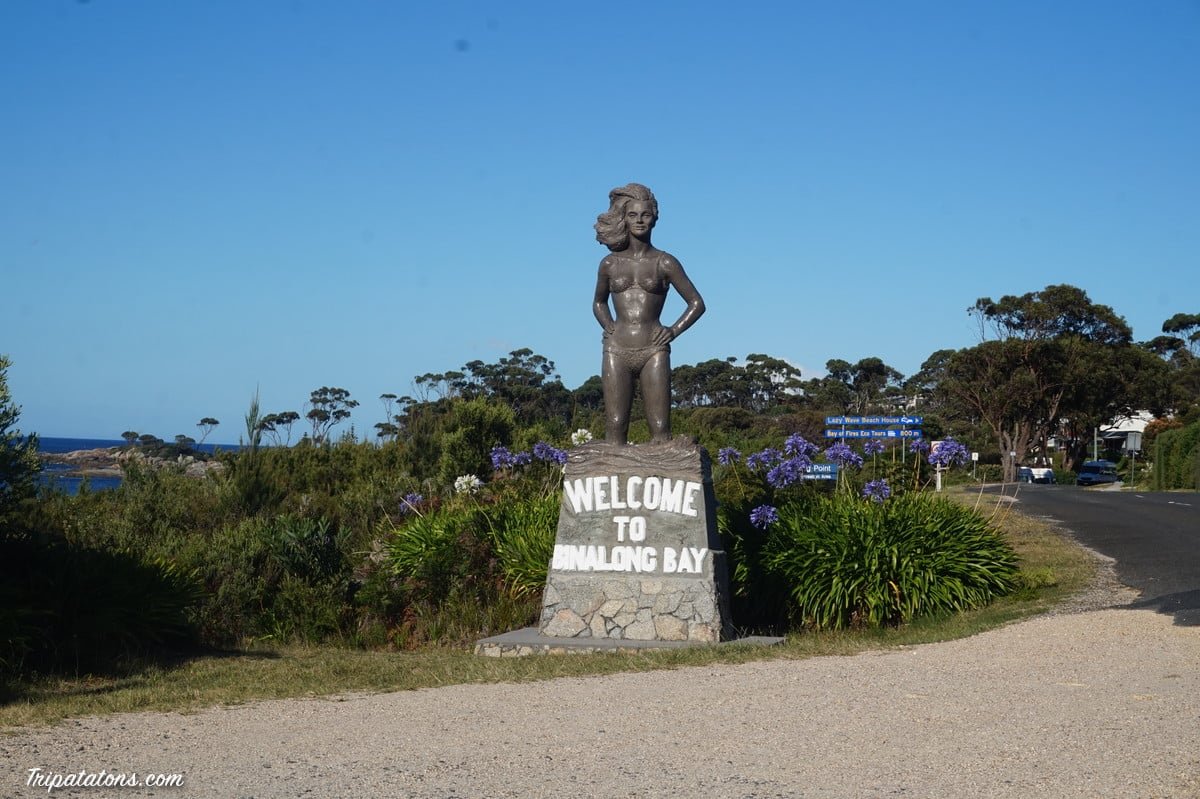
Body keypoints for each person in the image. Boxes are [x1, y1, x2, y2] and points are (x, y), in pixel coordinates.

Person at [593, 183, 705, 445]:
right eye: (633, 215)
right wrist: (608, 325)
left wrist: (672, 331)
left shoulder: (664, 262)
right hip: (616, 349)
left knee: (660, 432)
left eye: (645, 214)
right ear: (624, 218)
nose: (640, 220)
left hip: (653, 350)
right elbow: (599, 302)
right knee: (615, 430)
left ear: (655, 217)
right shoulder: (610, 263)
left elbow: (696, 303)